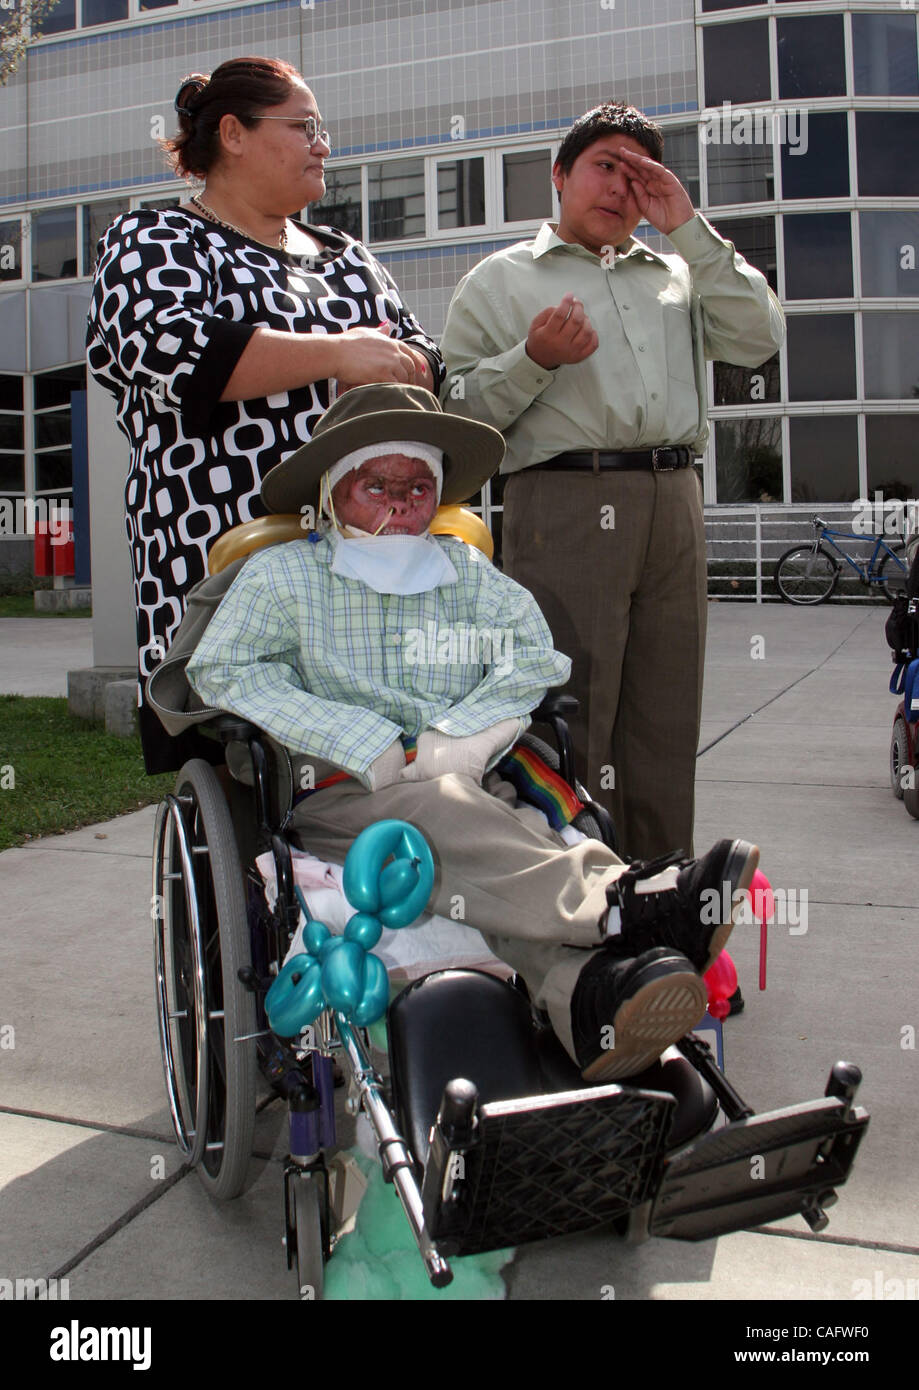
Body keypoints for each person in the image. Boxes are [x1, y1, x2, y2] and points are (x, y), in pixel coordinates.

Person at [183, 383, 759, 1082]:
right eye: (376, 485)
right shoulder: (282, 577)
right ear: (333, 491)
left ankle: (589, 1001)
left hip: (473, 782)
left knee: (504, 834)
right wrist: (353, 735)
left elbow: (533, 656)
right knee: (453, 815)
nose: (399, 504)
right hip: (342, 791)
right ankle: (620, 902)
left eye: (418, 486)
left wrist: (462, 735)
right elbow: (225, 670)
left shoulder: (464, 572)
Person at [439, 102, 785, 863]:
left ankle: (663, 901)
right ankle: (575, 907)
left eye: (640, 175)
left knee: (664, 717)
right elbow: (452, 413)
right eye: (604, 166)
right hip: (563, 501)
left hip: (674, 500)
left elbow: (759, 337)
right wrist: (532, 358)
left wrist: (687, 226)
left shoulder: (677, 274)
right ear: (559, 176)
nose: (621, 187)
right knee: (570, 710)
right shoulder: (501, 280)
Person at [86, 56, 443, 774]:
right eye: (304, 127)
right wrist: (340, 355)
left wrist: (401, 369)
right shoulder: (155, 241)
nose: (323, 144)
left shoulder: (348, 259)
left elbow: (427, 359)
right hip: (227, 559)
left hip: (366, 561)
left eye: (322, 128)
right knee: (251, 785)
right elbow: (173, 348)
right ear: (233, 134)